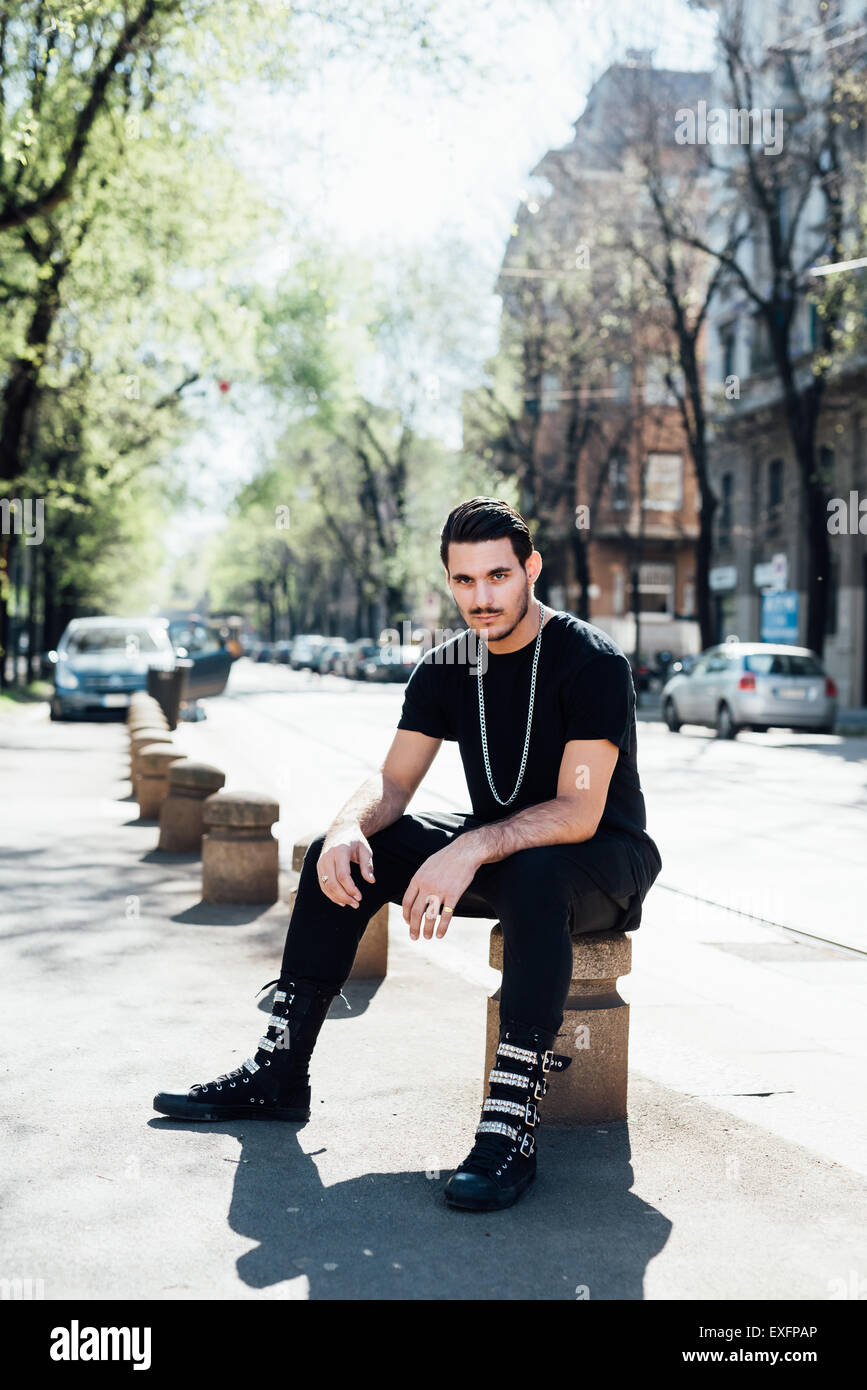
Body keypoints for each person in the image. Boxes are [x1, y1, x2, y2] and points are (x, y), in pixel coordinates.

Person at [154, 497, 662, 1212]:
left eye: (497, 577)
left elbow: (578, 812)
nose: (481, 598)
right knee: (350, 849)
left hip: (601, 860)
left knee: (537, 871)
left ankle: (510, 1117)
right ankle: (279, 1070)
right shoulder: (447, 665)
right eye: (464, 582)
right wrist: (346, 827)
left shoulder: (589, 662)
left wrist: (473, 845)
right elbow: (393, 782)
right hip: (507, 854)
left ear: (531, 570)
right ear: (448, 582)